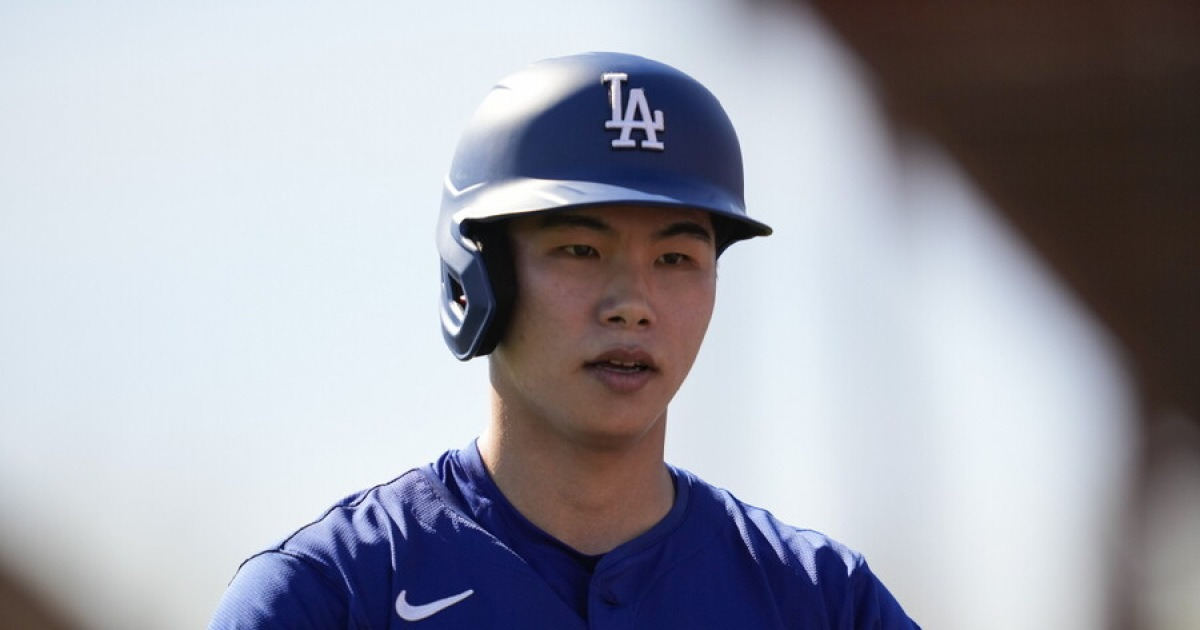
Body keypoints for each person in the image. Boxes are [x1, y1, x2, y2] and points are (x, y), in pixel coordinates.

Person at [210, 51, 921, 629]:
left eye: (676, 259)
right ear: (478, 273)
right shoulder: (329, 598)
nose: (632, 305)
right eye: (581, 249)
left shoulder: (822, 604)